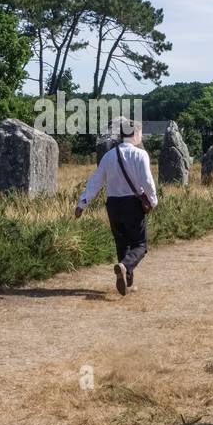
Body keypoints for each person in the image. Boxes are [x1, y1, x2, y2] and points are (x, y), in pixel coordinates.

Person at [74, 120, 159, 296]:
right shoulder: (140, 155)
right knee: (140, 245)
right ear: (135, 135)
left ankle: (127, 282)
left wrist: (82, 203)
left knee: (122, 244)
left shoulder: (108, 156)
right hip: (132, 205)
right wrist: (153, 201)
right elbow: (147, 181)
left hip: (113, 205)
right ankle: (124, 266)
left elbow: (96, 181)